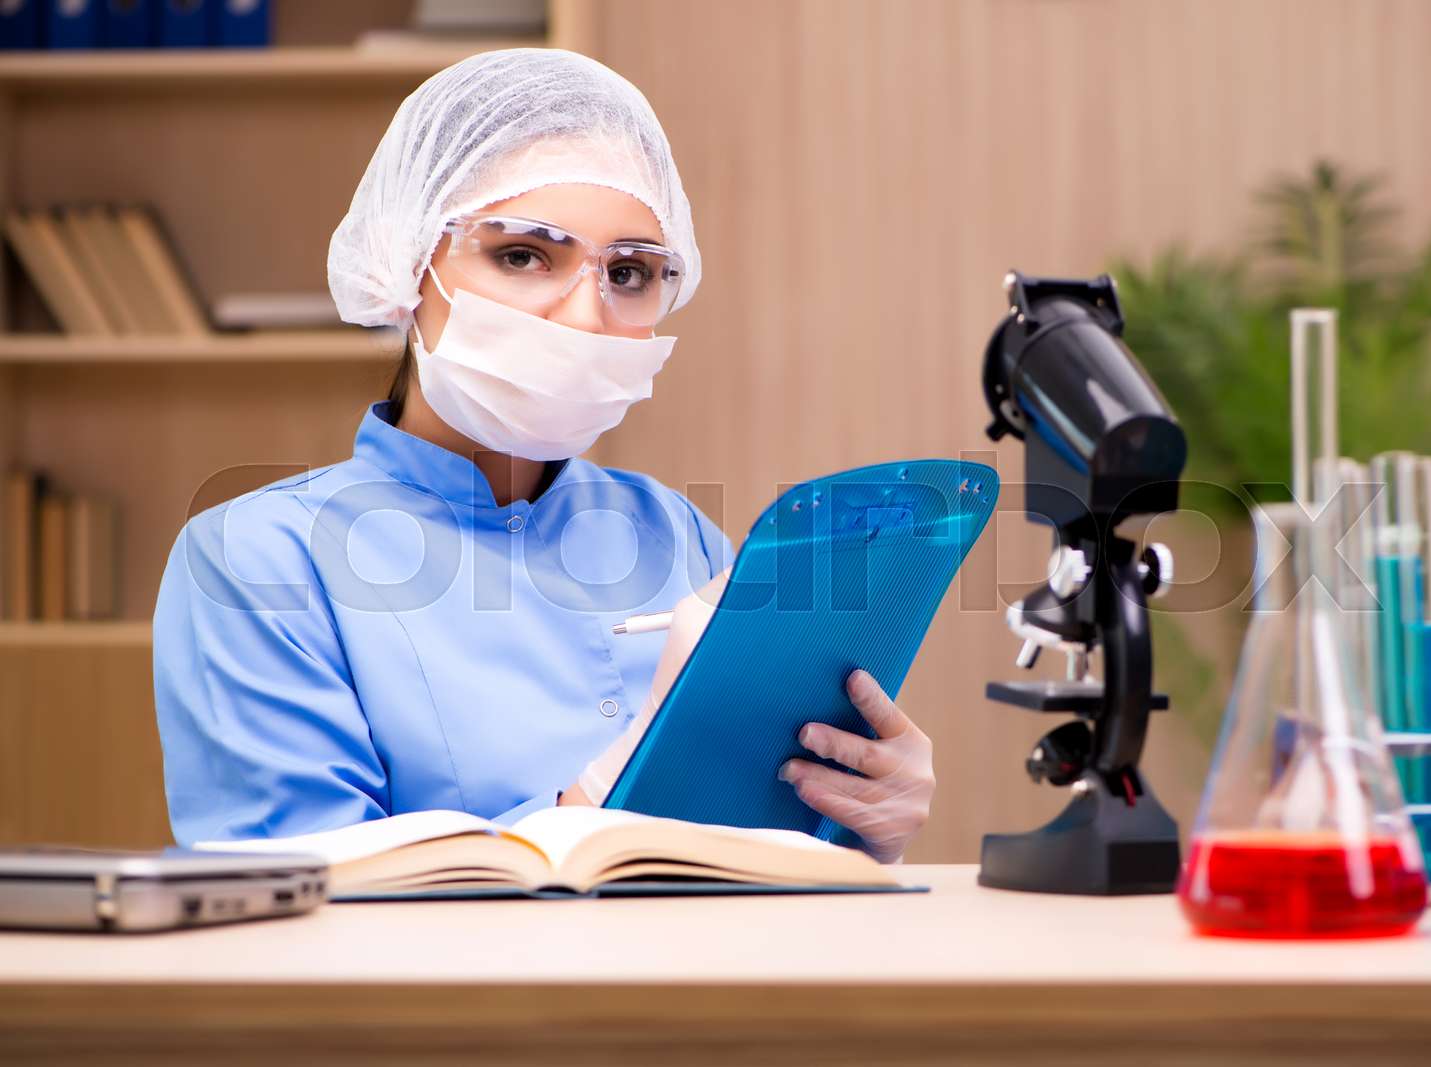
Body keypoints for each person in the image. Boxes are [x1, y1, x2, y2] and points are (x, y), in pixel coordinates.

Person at [153, 49, 934, 863]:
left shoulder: (681, 535)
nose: (586, 316)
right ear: (407, 265)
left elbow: (753, 849)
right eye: (525, 255)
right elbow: (298, 896)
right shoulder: (255, 561)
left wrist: (854, 813)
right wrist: (587, 808)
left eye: (629, 272)